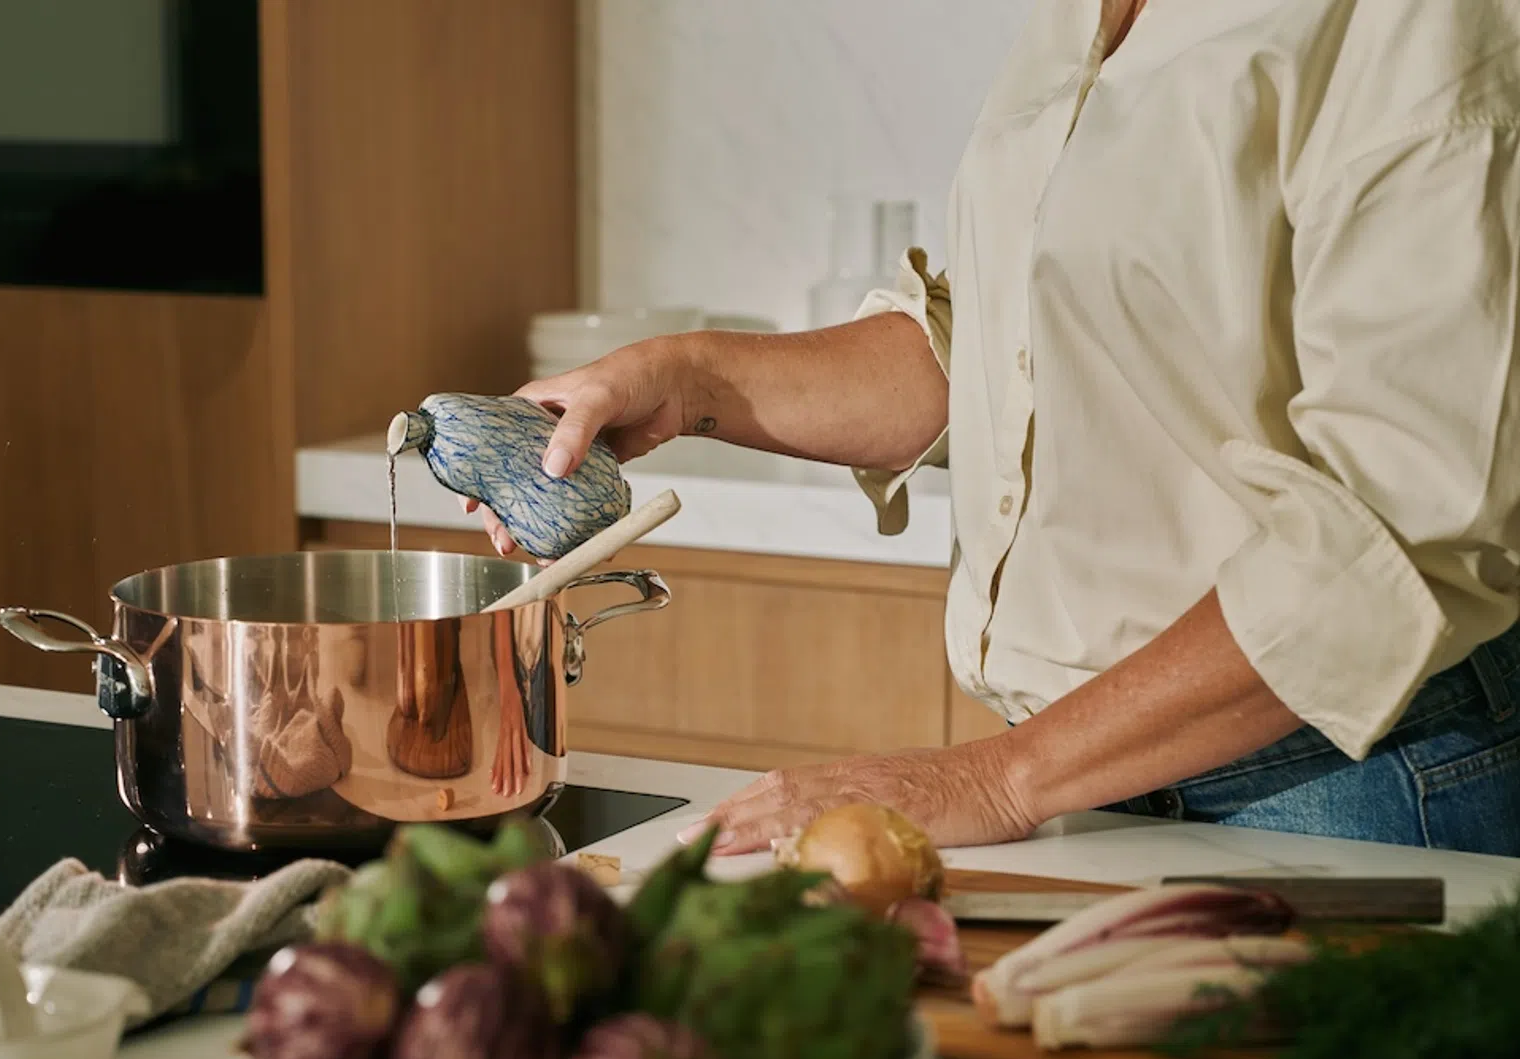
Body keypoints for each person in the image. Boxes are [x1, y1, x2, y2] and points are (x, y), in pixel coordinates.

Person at [472, 0, 1520, 857]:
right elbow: (1003, 347)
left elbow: (1397, 515)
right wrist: (686, 376)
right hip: (1096, 778)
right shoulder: (1086, 17)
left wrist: (994, 779)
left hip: (1357, 784)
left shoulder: (1419, 21)